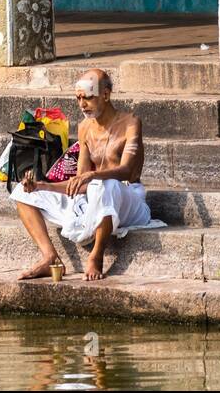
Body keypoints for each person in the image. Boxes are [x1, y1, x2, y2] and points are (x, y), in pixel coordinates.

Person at [11, 69, 163, 281]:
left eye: (88, 98)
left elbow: (127, 171)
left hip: (130, 199)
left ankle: (96, 256)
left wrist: (93, 176)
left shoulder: (130, 123)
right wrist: (40, 186)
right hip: (93, 195)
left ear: (106, 95)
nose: (82, 104)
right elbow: (79, 183)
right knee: (21, 192)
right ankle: (50, 257)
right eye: (78, 98)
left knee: (106, 184)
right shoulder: (84, 128)